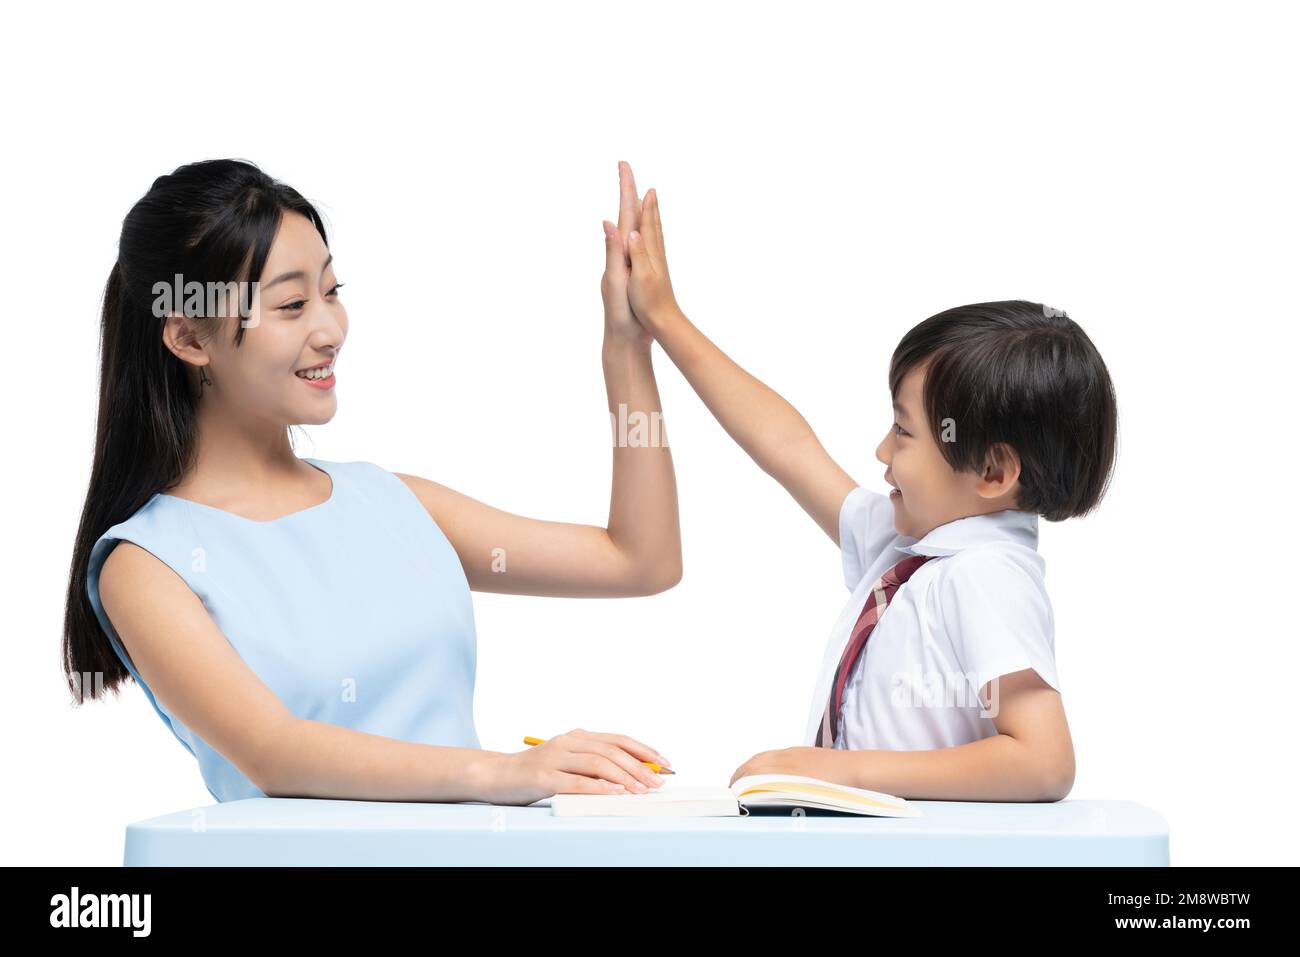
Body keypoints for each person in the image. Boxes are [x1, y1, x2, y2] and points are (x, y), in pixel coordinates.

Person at [63, 159, 680, 805]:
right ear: (190, 336)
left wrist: (626, 345)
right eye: (293, 304)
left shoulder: (388, 501)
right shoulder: (143, 563)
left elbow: (641, 560)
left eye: (331, 292)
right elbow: (275, 752)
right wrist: (507, 772)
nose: (330, 330)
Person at [618, 188, 1117, 801]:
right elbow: (789, 448)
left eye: (903, 431)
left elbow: (1043, 762)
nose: (882, 451)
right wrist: (664, 318)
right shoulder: (917, 549)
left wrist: (841, 771)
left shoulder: (986, 577)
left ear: (992, 472)